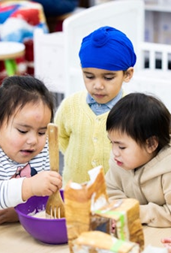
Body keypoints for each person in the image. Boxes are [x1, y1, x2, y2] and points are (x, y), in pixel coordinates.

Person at [0, 75, 62, 236]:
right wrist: (29, 186)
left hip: (14, 231)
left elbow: (45, 194)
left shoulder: (43, 148)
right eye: (23, 131)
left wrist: (17, 213)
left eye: (42, 132)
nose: (33, 140)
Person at [54, 26, 136, 186]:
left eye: (108, 77)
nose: (98, 85)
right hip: (74, 191)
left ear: (127, 74)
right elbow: (60, 136)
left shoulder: (134, 111)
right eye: (89, 76)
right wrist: (75, 156)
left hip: (117, 196)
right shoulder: (71, 105)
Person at [105, 92, 171, 227]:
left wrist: (137, 213)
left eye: (122, 147)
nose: (115, 152)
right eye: (112, 143)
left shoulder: (168, 170)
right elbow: (110, 192)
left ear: (151, 144)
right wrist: (120, 211)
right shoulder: (119, 163)